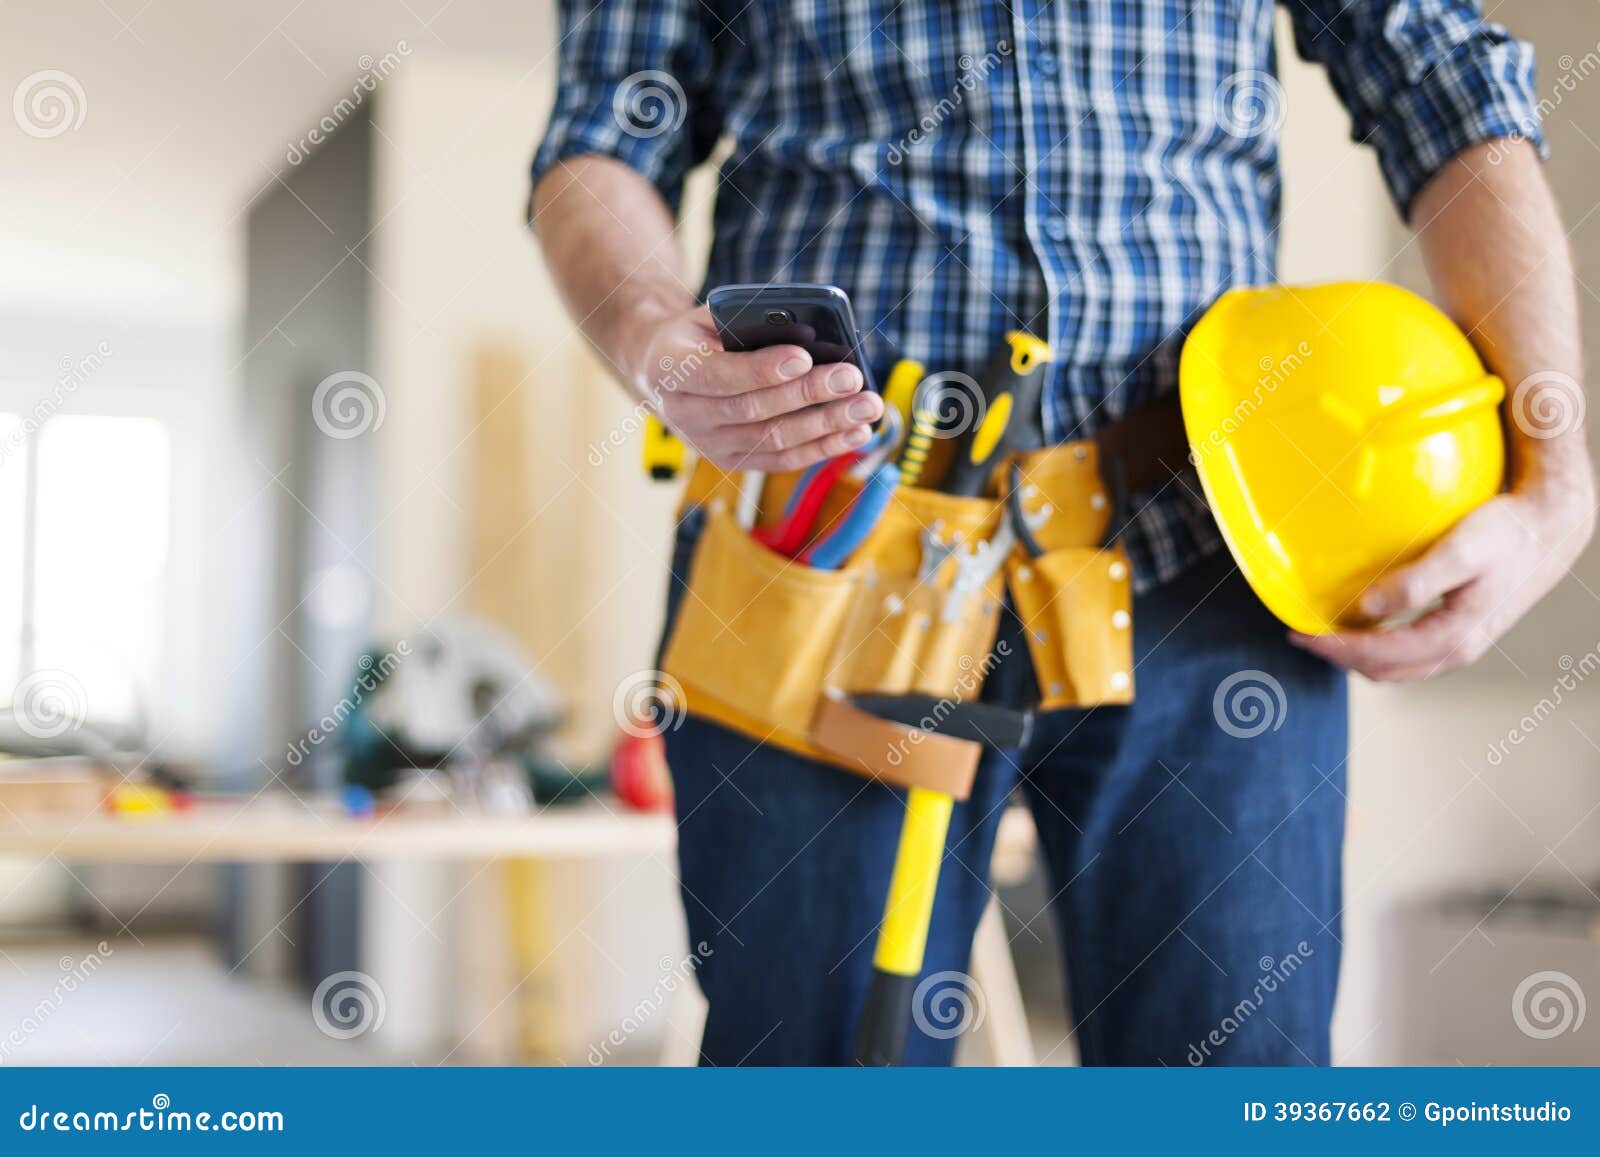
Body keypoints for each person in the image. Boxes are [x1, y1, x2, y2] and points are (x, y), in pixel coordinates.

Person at [529, 1, 1594, 1065]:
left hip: (1211, 556)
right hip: (826, 555)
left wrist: (1553, 466)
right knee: (810, 1079)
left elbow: (1440, 76)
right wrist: (657, 344)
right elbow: (603, 135)